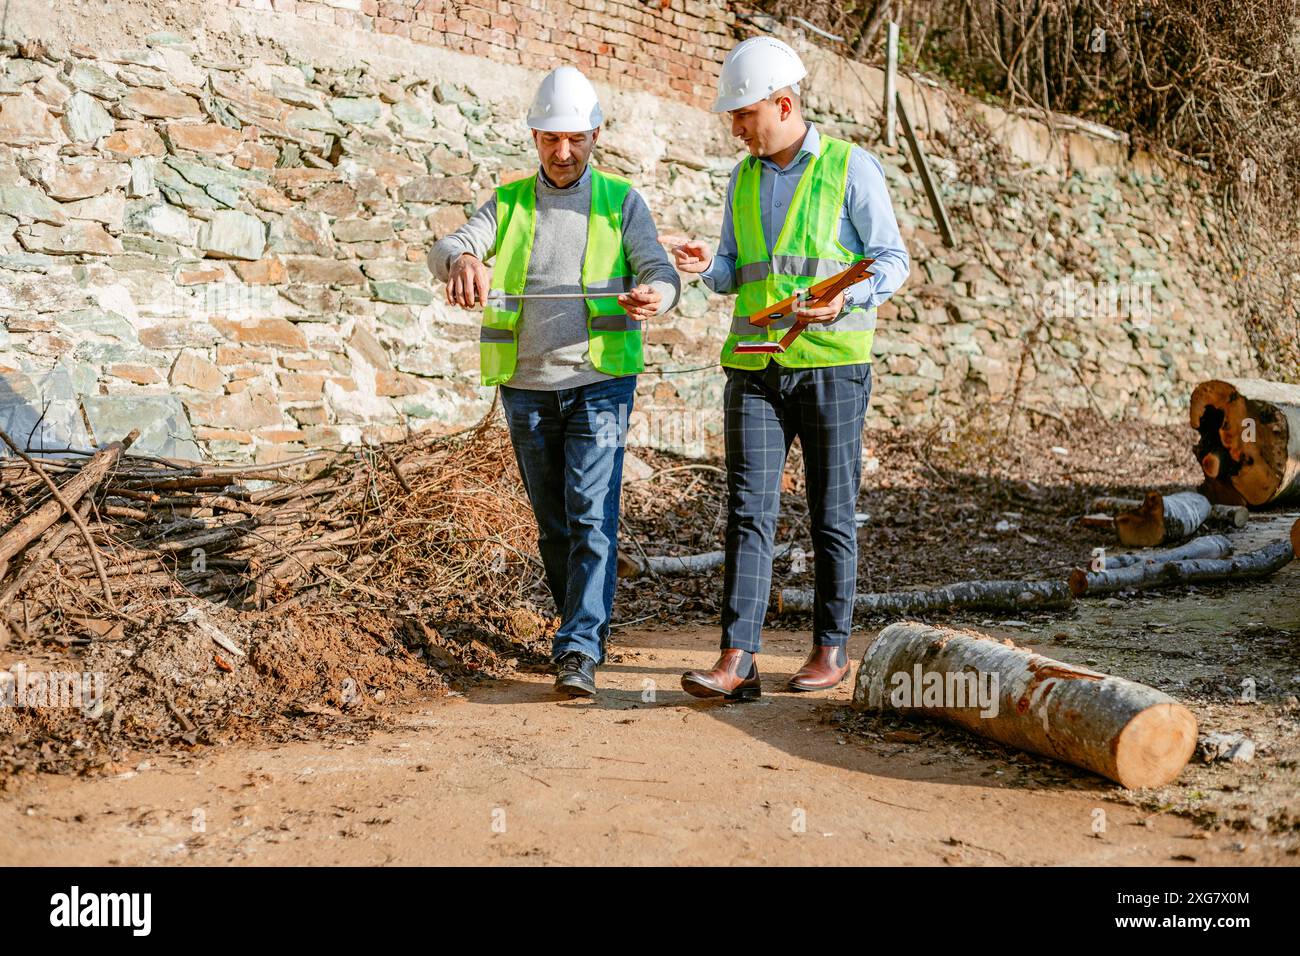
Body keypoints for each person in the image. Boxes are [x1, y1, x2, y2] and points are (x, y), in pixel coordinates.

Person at [667, 37, 910, 701]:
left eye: (744, 114)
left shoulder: (850, 167)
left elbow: (892, 261)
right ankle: (737, 658)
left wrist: (843, 299)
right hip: (754, 367)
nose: (736, 127)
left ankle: (830, 650)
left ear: (782, 103)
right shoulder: (742, 179)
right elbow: (732, 273)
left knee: (832, 512)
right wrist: (702, 266)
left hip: (833, 368)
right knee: (748, 509)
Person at [429, 66, 681, 697]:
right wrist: (460, 259)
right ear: (535, 135)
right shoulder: (509, 202)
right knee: (554, 523)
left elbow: (658, 266)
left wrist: (660, 293)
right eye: (550, 140)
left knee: (592, 515)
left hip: (601, 383)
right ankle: (579, 628)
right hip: (527, 387)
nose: (563, 154)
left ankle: (577, 649)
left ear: (596, 133)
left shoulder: (622, 201)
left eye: (575, 139)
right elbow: (450, 245)